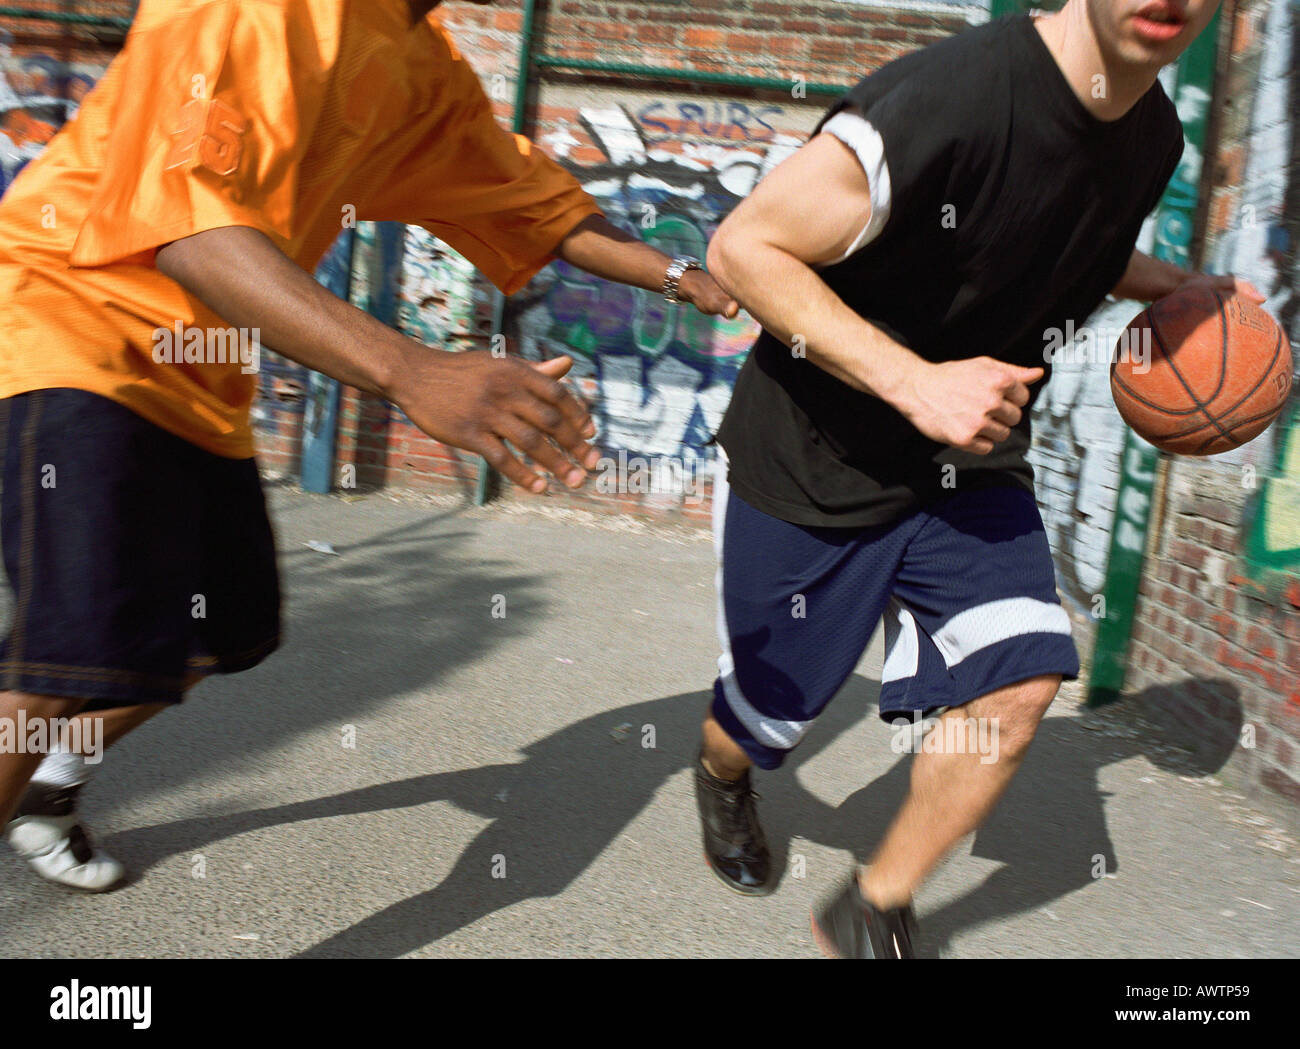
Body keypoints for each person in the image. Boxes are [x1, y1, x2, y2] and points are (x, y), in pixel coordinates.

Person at [0, 0, 735, 892]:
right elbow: (189, 233)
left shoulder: (422, 67)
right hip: (72, 328)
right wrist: (410, 371)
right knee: (64, 656)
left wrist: (696, 277)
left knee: (208, 638)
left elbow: (541, 209)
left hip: (201, 376)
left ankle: (48, 779)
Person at [693, 0, 1262, 957]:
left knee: (1022, 680)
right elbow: (744, 247)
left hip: (969, 464)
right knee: (763, 711)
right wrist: (913, 382)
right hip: (811, 458)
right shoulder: (951, 98)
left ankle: (875, 902)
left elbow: (1065, 234)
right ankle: (721, 774)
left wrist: (1175, 288)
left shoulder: (1152, 134)